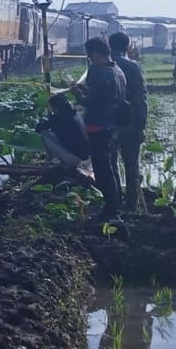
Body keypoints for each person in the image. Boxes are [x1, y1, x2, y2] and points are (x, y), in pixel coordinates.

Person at [73, 36, 127, 222]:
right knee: (111, 166)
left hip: (99, 126)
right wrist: (87, 90)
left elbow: (91, 102)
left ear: (96, 54)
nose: (90, 59)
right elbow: (104, 95)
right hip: (112, 125)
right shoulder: (117, 70)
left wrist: (78, 93)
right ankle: (116, 203)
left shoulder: (101, 72)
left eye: (90, 56)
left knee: (103, 170)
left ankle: (111, 209)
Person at [109, 32, 148, 212]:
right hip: (130, 123)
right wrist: (141, 126)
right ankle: (132, 204)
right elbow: (140, 99)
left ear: (110, 45)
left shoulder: (100, 66)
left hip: (108, 124)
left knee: (111, 164)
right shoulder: (133, 67)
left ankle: (115, 200)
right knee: (131, 165)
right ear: (128, 47)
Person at [35, 92, 89, 168]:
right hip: (85, 154)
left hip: (72, 157)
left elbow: (38, 129)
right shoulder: (74, 114)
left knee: (44, 134)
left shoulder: (56, 118)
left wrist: (47, 116)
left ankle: (50, 162)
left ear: (55, 107)